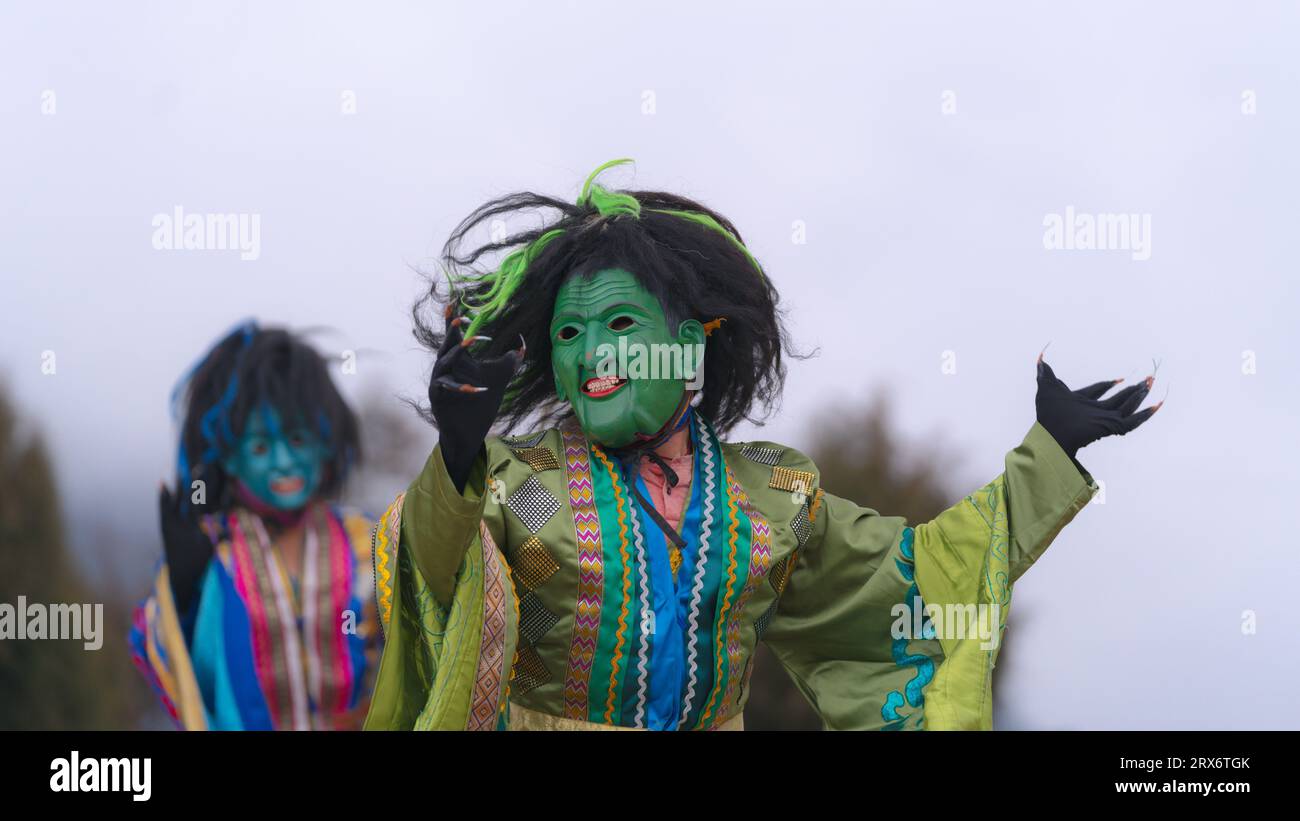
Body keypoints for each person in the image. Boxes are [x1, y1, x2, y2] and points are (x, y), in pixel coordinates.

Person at [364, 160, 1159, 731]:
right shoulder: (511, 482)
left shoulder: (774, 494)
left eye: (618, 324)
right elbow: (430, 575)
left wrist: (1047, 454)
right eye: (568, 333)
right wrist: (459, 455)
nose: (589, 353)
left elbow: (917, 577)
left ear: (686, 347)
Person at [131, 322, 377, 730]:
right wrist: (186, 590)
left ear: (327, 439)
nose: (282, 462)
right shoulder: (219, 558)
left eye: (298, 439)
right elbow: (175, 667)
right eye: (261, 446)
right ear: (228, 457)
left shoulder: (370, 542)